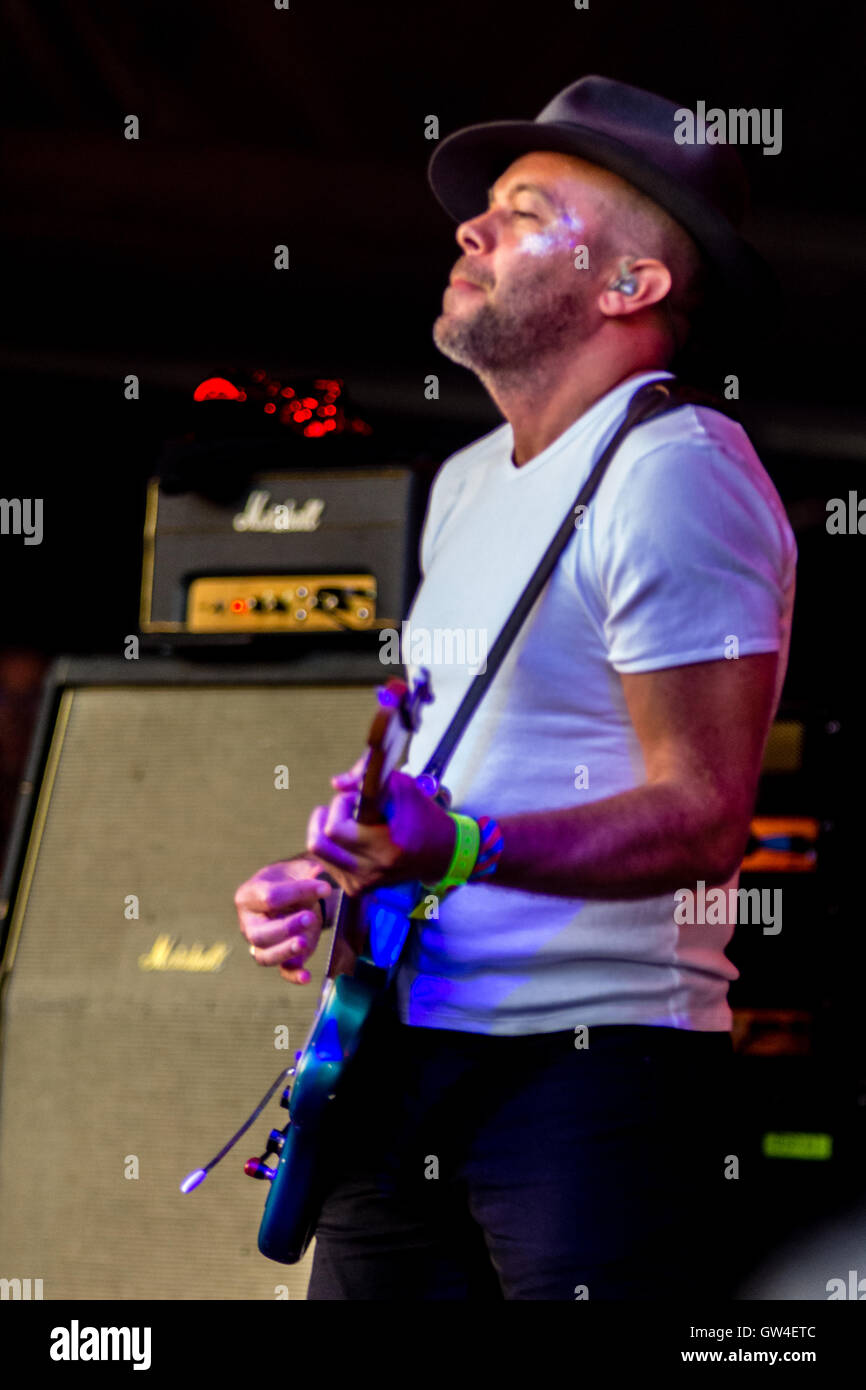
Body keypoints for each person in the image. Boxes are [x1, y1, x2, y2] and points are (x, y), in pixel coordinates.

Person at [234, 75, 797, 1300]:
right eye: (482, 210)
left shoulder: (674, 474)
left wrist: (464, 846)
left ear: (628, 286)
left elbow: (703, 813)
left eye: (526, 212)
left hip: (588, 1084)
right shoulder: (468, 480)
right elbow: (452, 780)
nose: (469, 231)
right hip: (402, 1049)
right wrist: (331, 872)